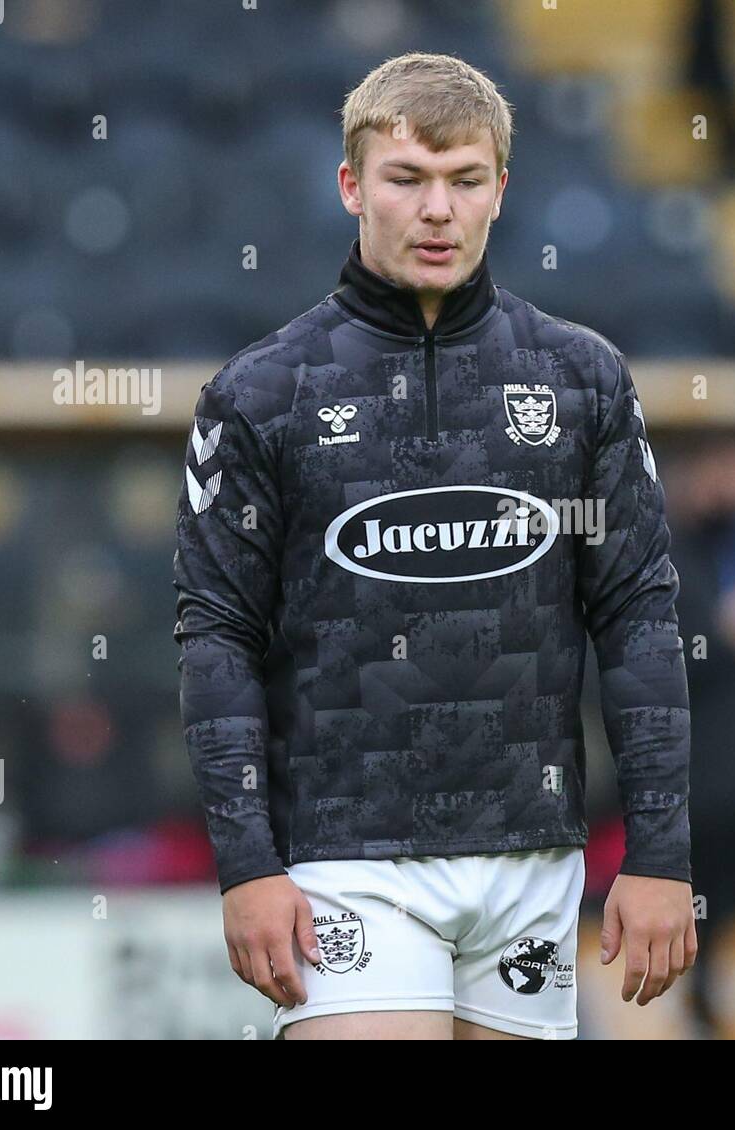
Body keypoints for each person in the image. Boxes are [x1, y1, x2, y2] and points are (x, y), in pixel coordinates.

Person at [172, 52, 695, 1041]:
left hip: (531, 857)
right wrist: (247, 864)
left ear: (501, 187)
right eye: (406, 179)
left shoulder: (579, 378)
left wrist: (660, 851)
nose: (436, 210)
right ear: (351, 186)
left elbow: (637, 617)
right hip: (342, 856)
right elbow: (217, 637)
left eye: (463, 180)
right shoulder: (260, 394)